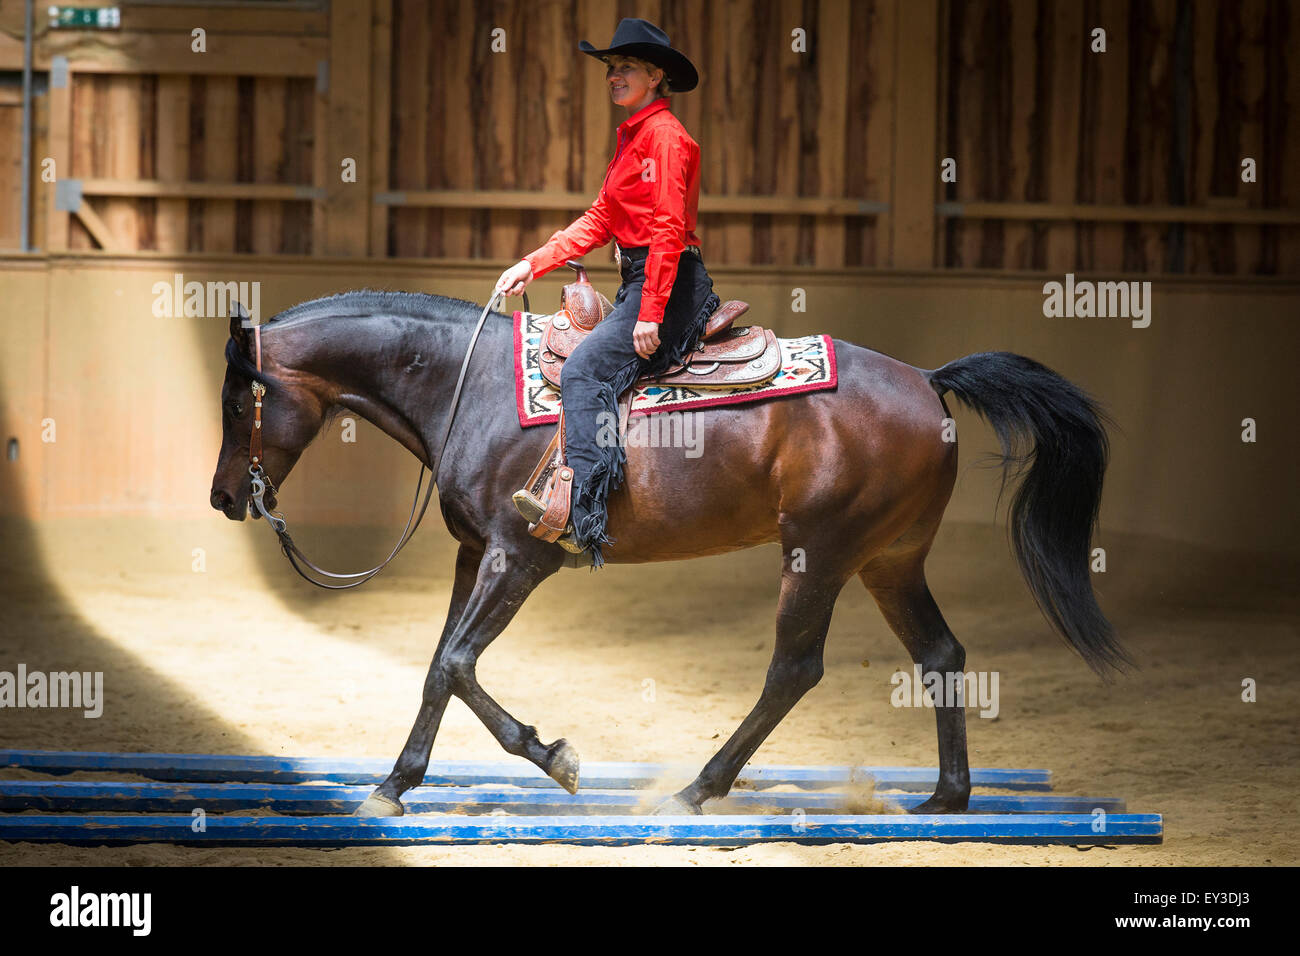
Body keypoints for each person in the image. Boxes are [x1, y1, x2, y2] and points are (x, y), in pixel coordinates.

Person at [495, 17, 720, 569]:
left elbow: (668, 227)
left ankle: (582, 510)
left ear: (655, 75)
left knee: (584, 371)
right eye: (610, 68)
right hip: (642, 282)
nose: (612, 76)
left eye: (624, 67)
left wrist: (650, 311)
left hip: (667, 288)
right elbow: (601, 218)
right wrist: (534, 262)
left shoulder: (665, 139)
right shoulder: (634, 138)